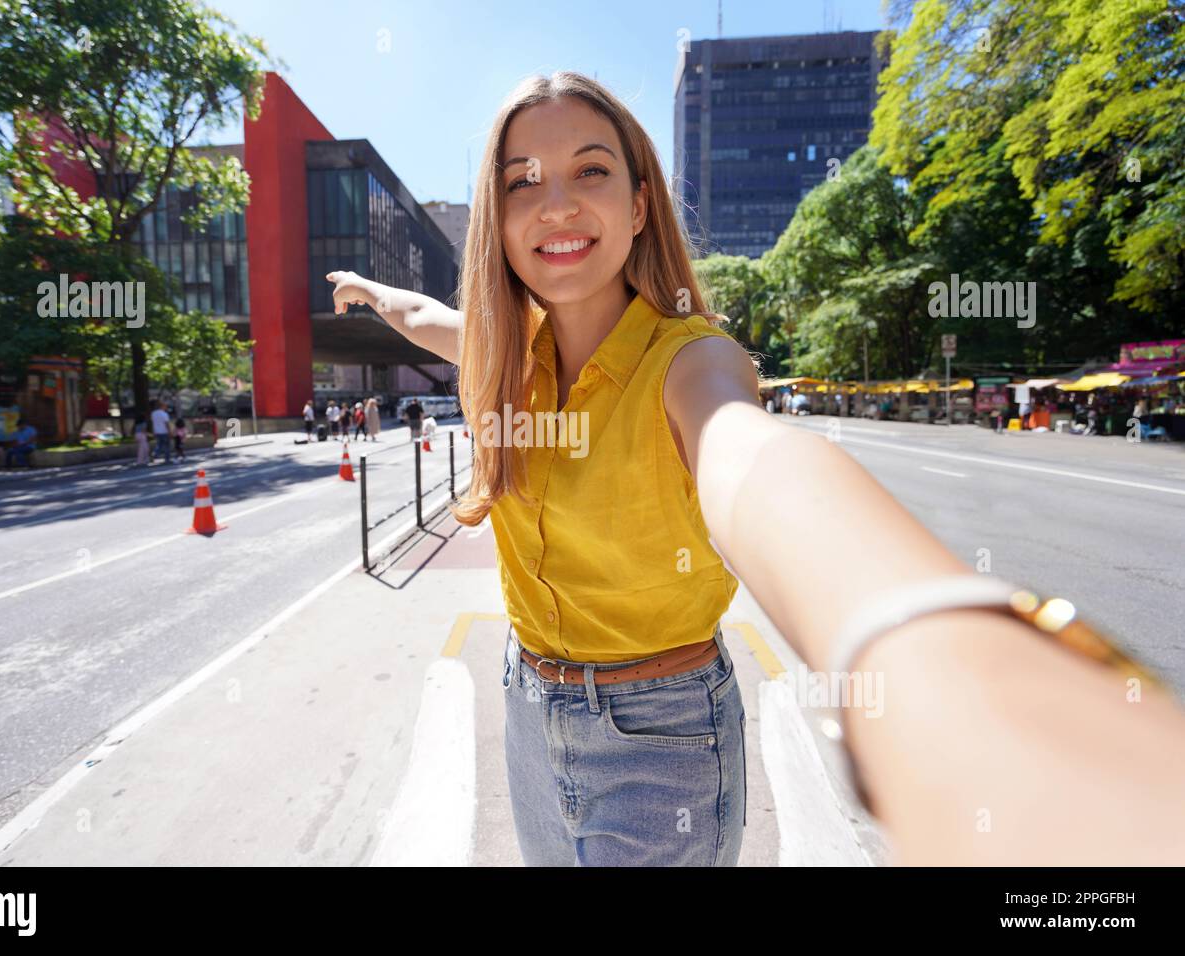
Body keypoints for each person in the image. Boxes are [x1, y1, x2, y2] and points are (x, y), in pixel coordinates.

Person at [326, 72, 1185, 866]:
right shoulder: (510, 351)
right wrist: (368, 286)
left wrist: (926, 640)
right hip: (527, 705)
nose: (555, 204)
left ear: (637, 208)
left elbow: (753, 460)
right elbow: (428, 314)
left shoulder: (693, 360)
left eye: (590, 171)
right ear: (497, 222)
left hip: (659, 736)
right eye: (523, 181)